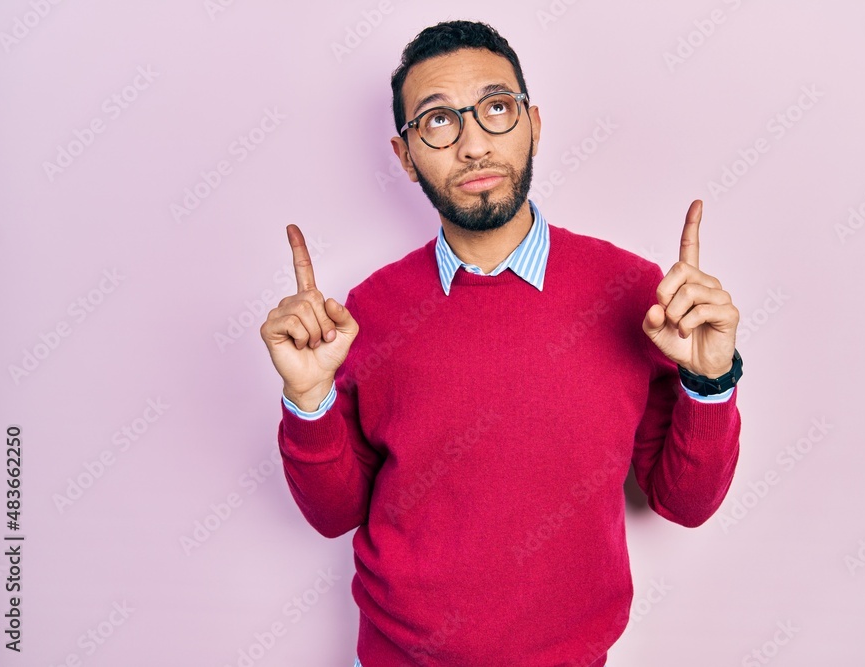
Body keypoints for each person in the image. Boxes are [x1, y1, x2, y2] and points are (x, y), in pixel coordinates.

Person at [259, 20, 743, 667]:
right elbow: (334, 513)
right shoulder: (364, 315)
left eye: (495, 109)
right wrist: (307, 396)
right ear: (405, 158)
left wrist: (709, 384)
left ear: (533, 125)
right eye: (437, 122)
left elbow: (682, 504)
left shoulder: (636, 294)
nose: (473, 145)